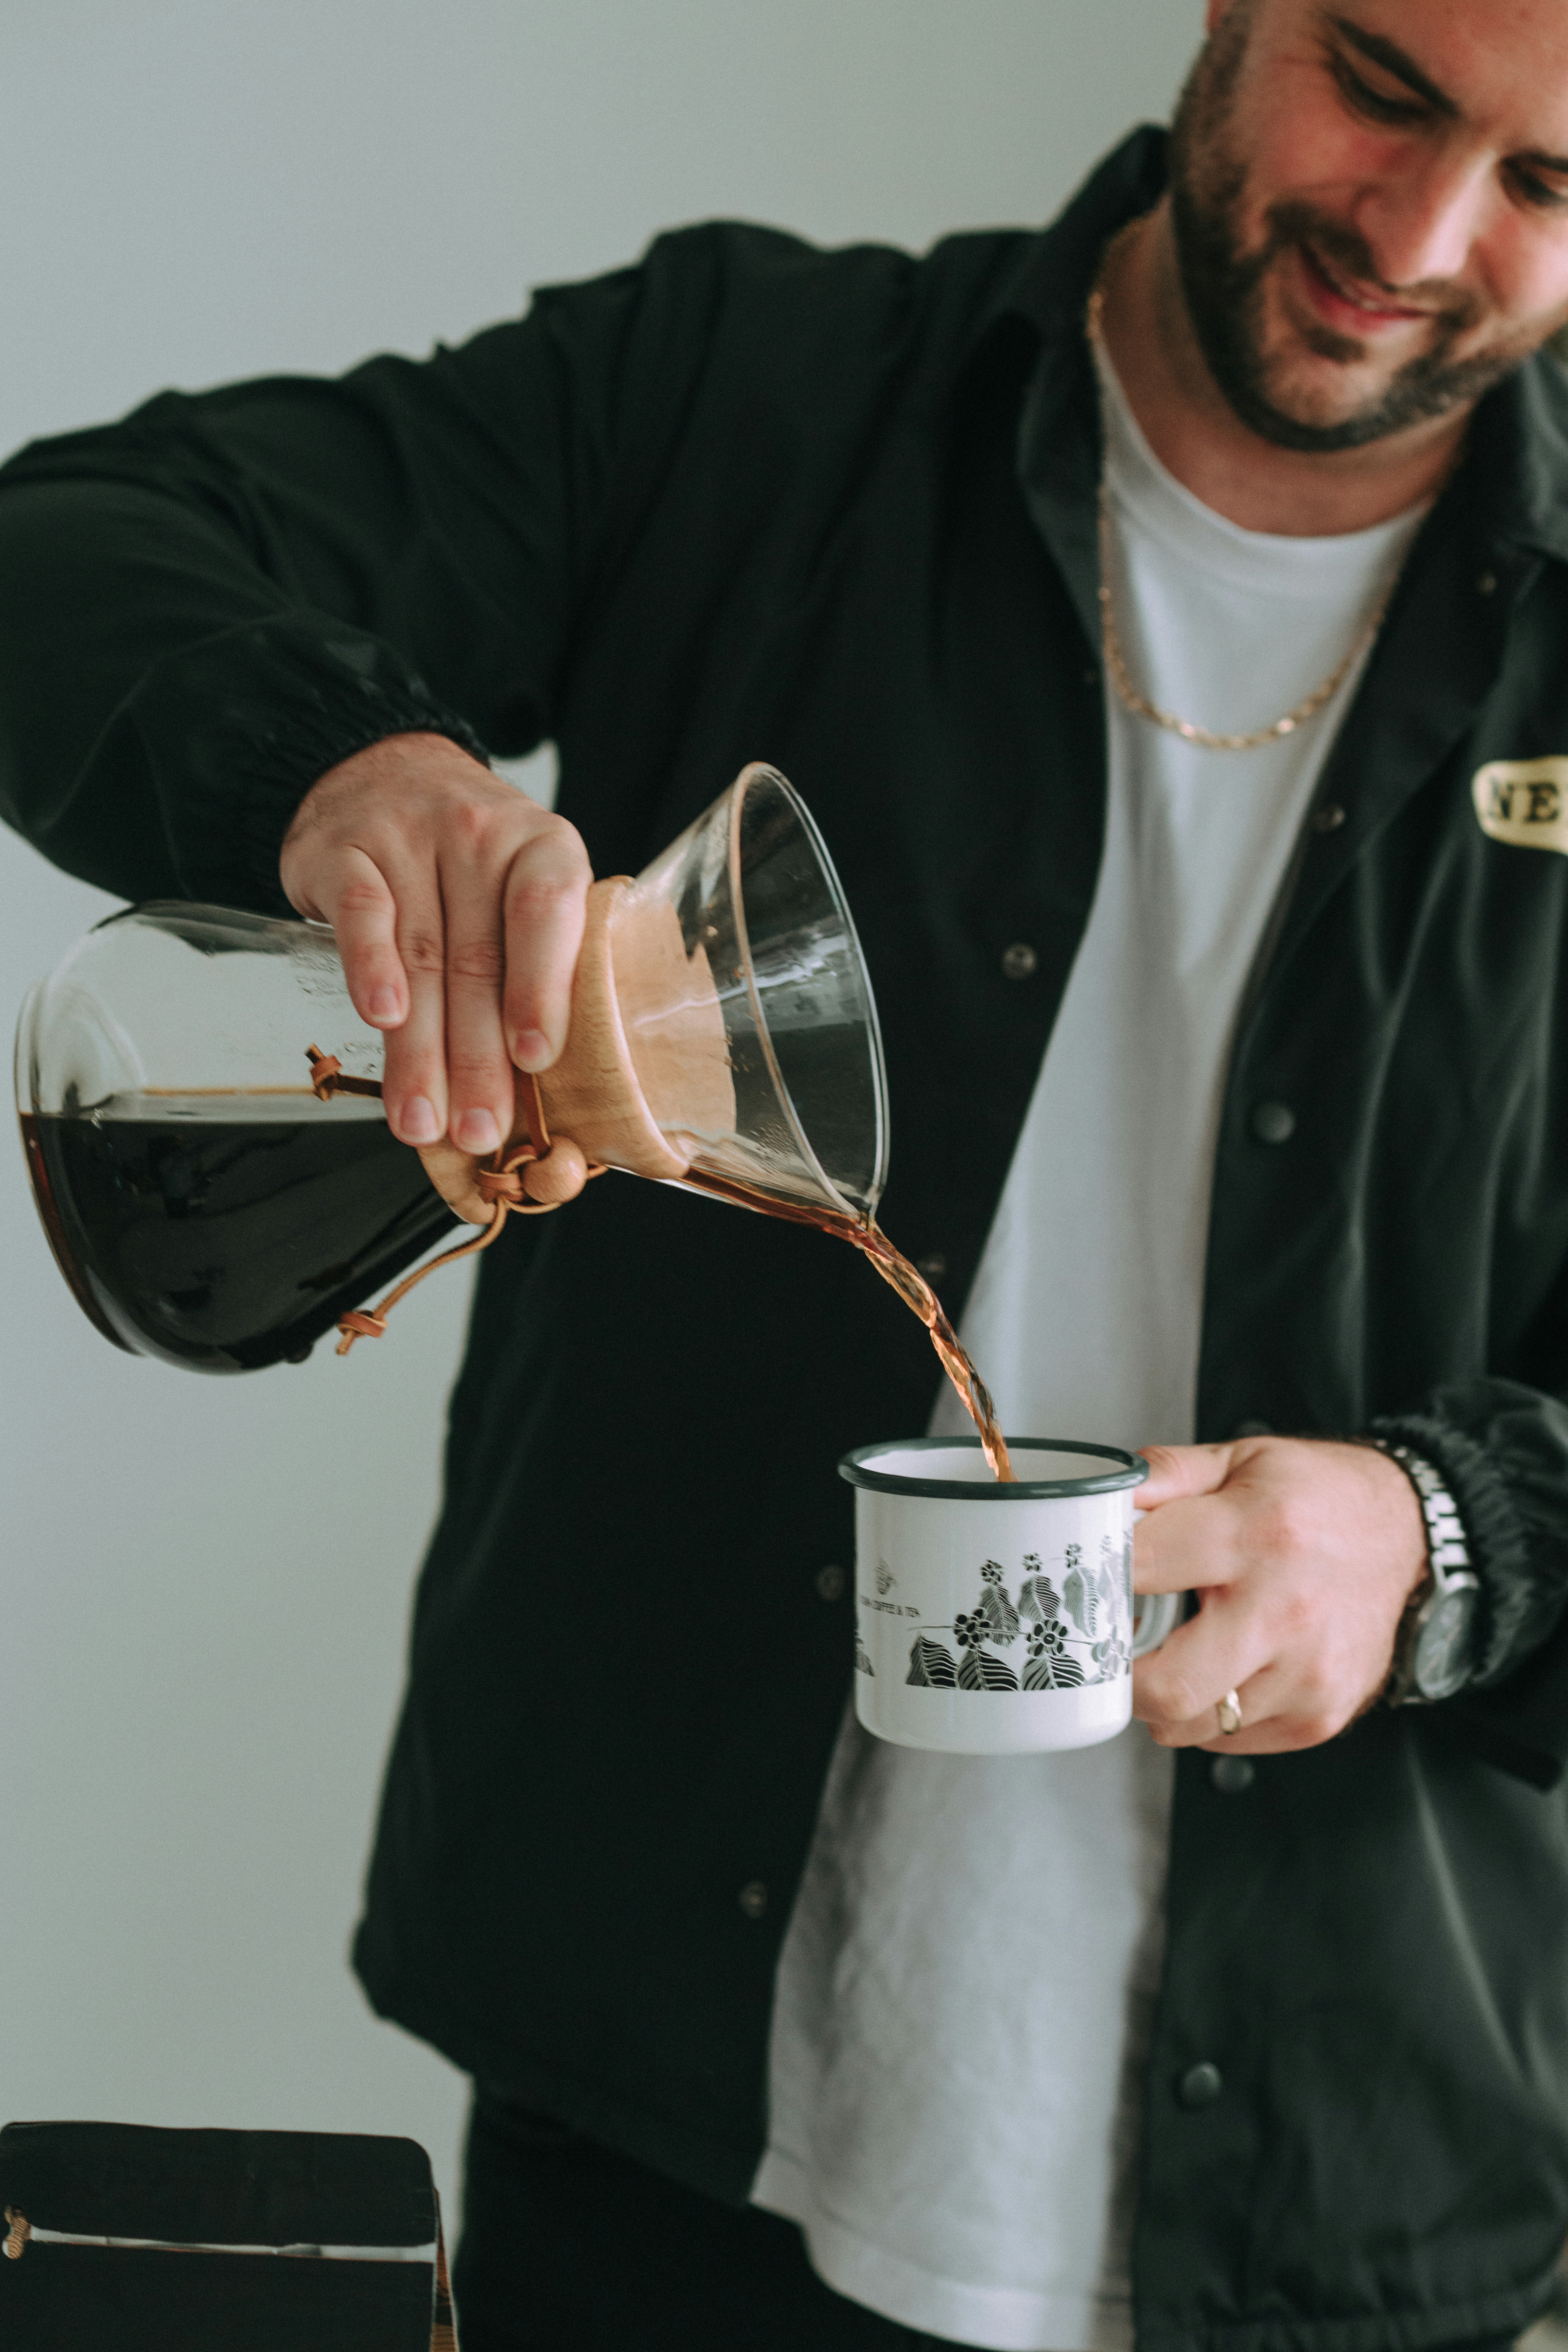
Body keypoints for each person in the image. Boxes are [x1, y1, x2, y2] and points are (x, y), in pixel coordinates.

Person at [5, 0, 1568, 2343]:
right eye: (1380, 82)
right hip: (660, 2128)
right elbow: (70, 543)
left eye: (1550, 185)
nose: (1420, 232)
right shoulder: (757, 392)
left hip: (1352, 2182)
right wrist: (351, 767)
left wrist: (1438, 1539)